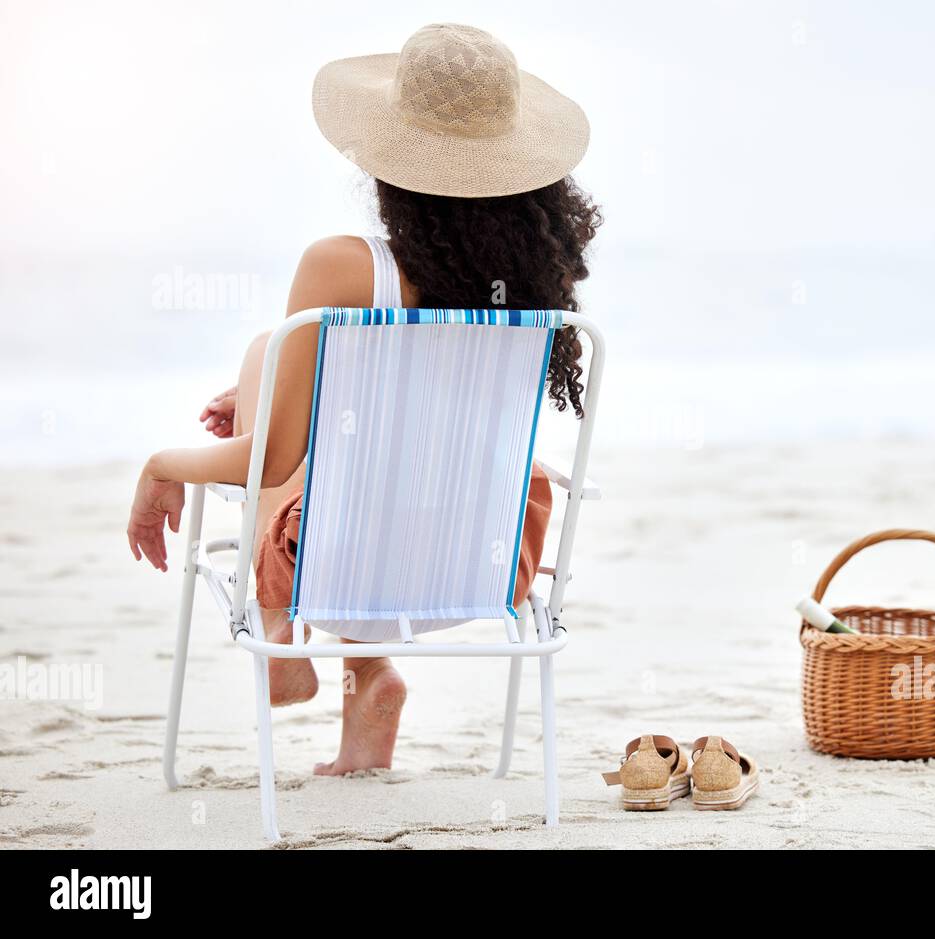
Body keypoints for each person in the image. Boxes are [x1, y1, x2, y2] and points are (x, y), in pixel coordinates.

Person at [127, 23, 600, 775]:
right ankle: (369, 675)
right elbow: (429, 407)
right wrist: (286, 376)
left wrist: (162, 462)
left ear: (390, 160)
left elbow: (272, 459)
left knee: (295, 397)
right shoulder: (536, 289)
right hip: (484, 559)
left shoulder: (342, 269)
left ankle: (281, 625)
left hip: (335, 561)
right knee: (288, 371)